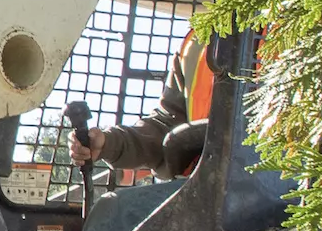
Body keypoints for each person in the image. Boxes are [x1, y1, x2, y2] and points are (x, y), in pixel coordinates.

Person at [71, 28, 219, 180]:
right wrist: (109, 143)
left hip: (234, 181)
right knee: (113, 203)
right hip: (206, 185)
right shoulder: (195, 44)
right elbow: (166, 127)